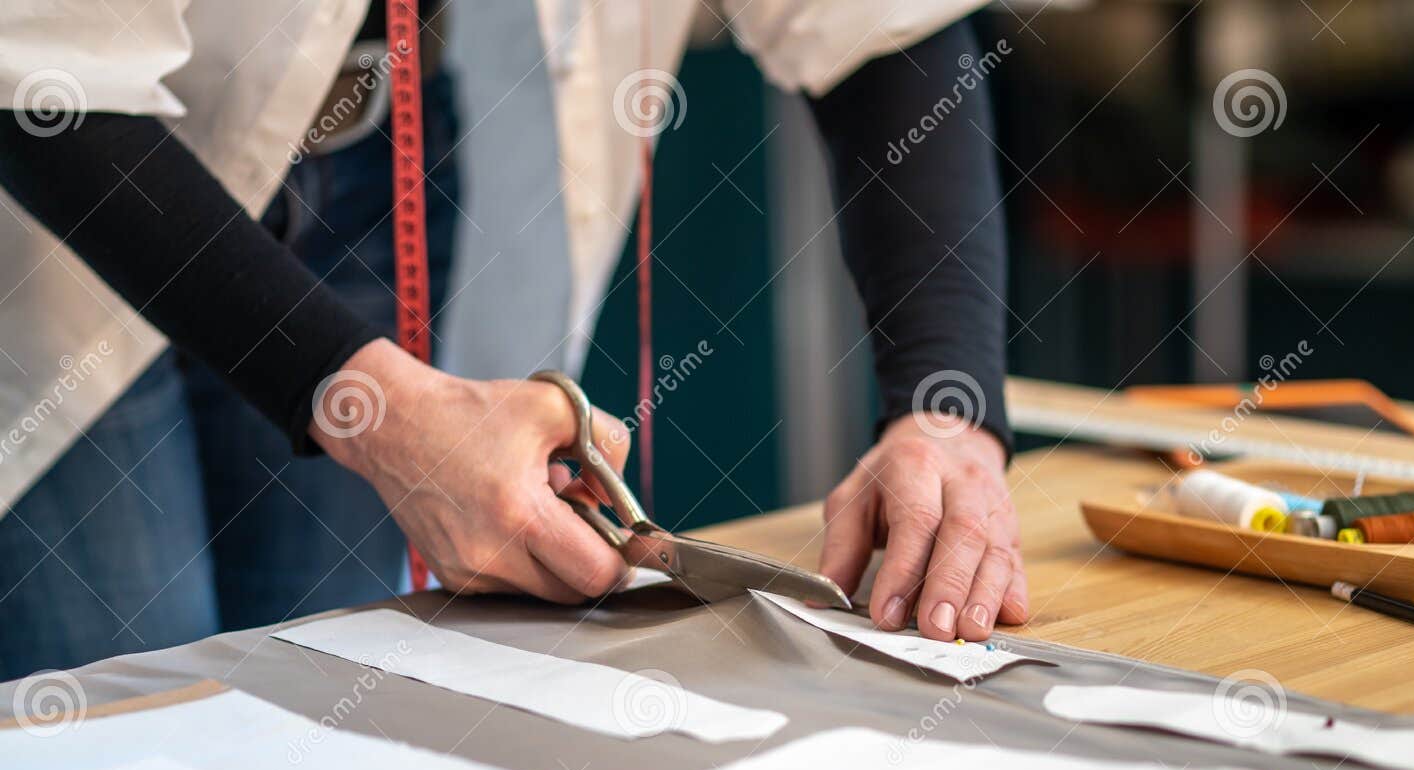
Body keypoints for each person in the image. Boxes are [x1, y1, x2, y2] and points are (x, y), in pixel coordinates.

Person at [0, 1, 1027, 683]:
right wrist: (384, 411)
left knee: (316, 699)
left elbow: (880, 31)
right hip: (56, 195)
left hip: (367, 152)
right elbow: (41, 71)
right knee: (128, 699)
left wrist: (946, 415)